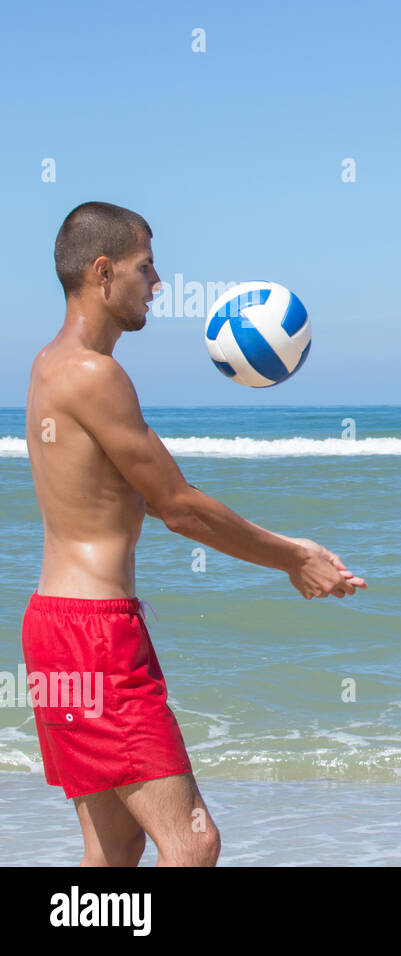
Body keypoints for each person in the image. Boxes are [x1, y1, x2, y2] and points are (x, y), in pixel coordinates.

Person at [24, 201, 367, 866]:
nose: (158, 283)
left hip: (60, 627)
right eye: (145, 266)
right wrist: (294, 556)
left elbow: (142, 499)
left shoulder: (50, 365)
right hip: (93, 635)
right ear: (101, 272)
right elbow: (177, 504)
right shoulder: (96, 376)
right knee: (194, 840)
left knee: (114, 845)